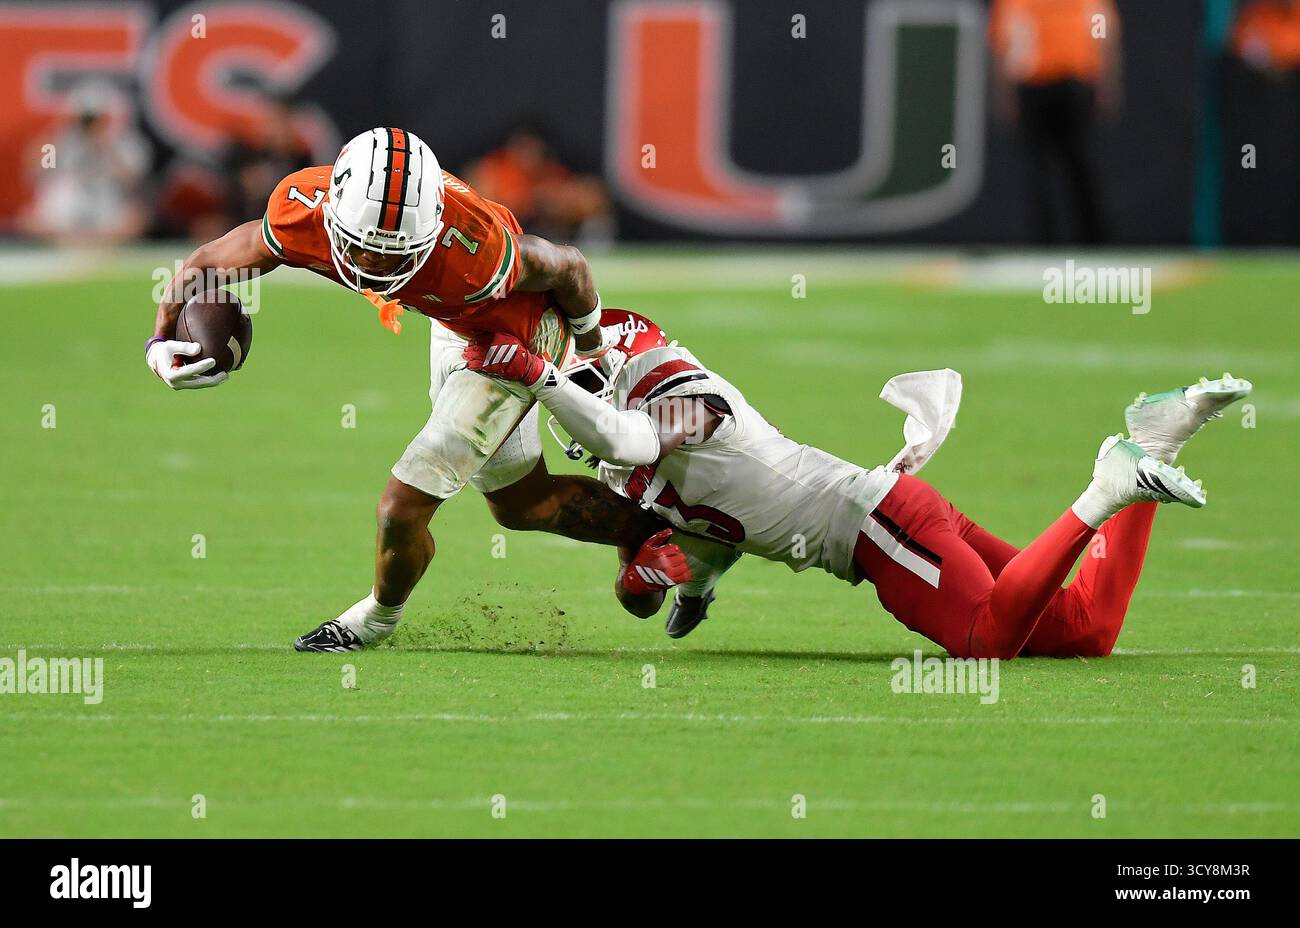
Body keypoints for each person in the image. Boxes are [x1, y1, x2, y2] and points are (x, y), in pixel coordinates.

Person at [144, 127, 675, 652]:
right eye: (364, 249)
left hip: (515, 334)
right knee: (521, 506)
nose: (376, 266)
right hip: (454, 318)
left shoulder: (478, 249)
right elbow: (210, 263)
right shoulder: (303, 206)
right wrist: (161, 338)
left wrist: (589, 352)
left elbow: (571, 267)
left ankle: (374, 620)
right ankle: (657, 531)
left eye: (396, 255)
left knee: (403, 504)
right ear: (333, 214)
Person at [463, 309, 1252, 659]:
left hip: (875, 529)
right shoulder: (629, 446)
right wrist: (656, 579)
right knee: (1083, 630)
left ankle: (1107, 490)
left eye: (589, 378)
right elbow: (658, 576)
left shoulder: (680, 405)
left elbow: (629, 437)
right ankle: (1151, 436)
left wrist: (537, 377)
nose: (584, 394)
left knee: (986, 642)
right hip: (899, 515)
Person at [988, 0, 1121, 244]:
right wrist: (1006, 95)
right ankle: (1046, 240)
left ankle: (1091, 239)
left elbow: (1103, 32)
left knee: (1076, 164)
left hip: (1072, 82)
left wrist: (1106, 83)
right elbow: (1003, 44)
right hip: (1035, 83)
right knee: (1040, 168)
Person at [18, 80, 150, 247]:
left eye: (96, 118)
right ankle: (74, 242)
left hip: (106, 205)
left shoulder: (125, 143)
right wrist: (59, 134)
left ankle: (91, 243)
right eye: (86, 118)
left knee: (136, 218)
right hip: (66, 206)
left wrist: (105, 144)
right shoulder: (59, 143)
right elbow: (37, 172)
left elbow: (131, 182)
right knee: (30, 219)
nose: (90, 124)